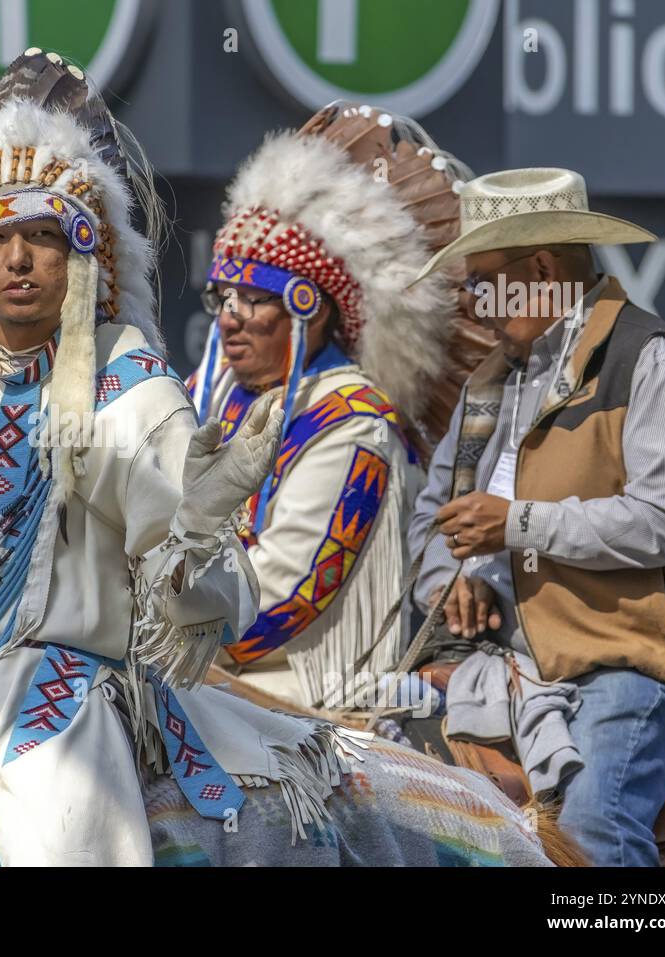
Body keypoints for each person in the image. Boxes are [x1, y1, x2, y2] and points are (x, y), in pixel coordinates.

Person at [0, 51, 402, 866]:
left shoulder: (131, 383)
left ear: (87, 257)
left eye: (45, 235)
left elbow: (217, 598)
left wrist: (198, 529)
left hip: (58, 692)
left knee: (56, 786)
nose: (20, 257)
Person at [409, 166, 665, 866]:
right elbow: (435, 512)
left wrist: (515, 524)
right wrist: (447, 575)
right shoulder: (490, 382)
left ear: (542, 268)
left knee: (593, 829)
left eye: (481, 281)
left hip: (630, 668)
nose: (474, 303)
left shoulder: (654, 361)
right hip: (500, 666)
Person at [189, 103, 471, 709]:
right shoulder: (207, 394)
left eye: (255, 298)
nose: (230, 318)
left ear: (310, 309)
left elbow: (275, 602)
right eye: (224, 295)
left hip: (296, 701)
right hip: (195, 673)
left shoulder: (354, 424)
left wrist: (141, 620)